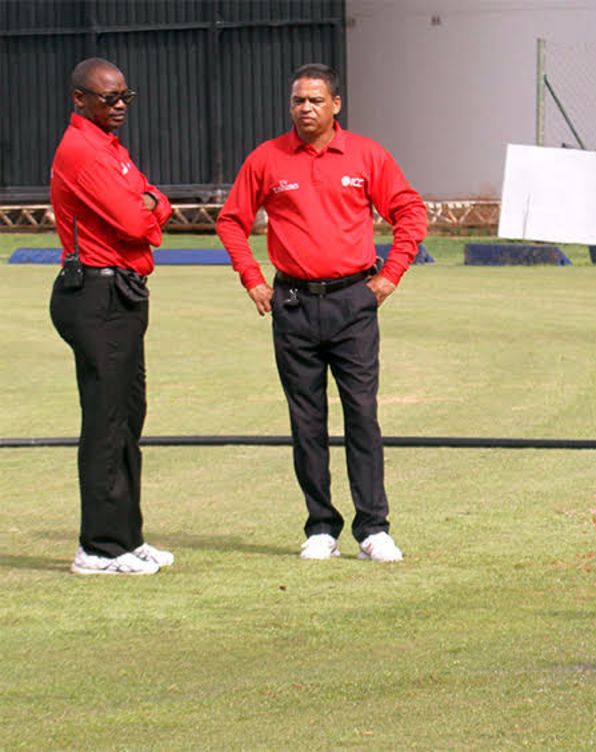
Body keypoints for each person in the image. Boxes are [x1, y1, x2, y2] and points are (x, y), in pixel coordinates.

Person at [216, 63, 428, 562]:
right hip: (292, 304)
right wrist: (252, 278)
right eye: (298, 100)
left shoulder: (367, 155)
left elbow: (410, 212)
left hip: (354, 301)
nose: (305, 109)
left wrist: (391, 275)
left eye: (315, 100)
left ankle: (373, 528)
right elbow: (231, 220)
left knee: (362, 415)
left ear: (336, 105)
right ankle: (320, 528)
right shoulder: (267, 158)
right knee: (306, 420)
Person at [49, 58, 175, 575]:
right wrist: (148, 205)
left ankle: (126, 536)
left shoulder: (109, 146)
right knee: (106, 420)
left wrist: (150, 203)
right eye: (109, 98)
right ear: (79, 99)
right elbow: (134, 221)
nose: (120, 105)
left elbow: (157, 202)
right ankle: (98, 547)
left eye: (126, 96)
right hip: (96, 292)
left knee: (127, 416)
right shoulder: (82, 150)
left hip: (120, 292)